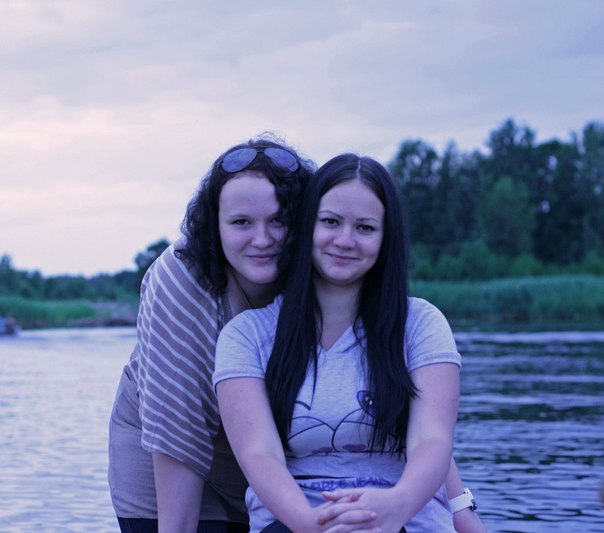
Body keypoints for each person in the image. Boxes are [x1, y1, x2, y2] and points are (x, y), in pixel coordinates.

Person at [214, 154, 471, 532]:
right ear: (307, 225)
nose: (345, 240)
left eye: (365, 227)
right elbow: (260, 453)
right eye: (331, 222)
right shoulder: (245, 335)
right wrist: (312, 523)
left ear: (385, 238)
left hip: (404, 519)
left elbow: (431, 440)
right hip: (293, 523)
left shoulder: (421, 324)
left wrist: (396, 506)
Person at [108, 135, 314, 533]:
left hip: (272, 465)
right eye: (241, 222)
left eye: (279, 220)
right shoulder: (181, 278)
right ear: (213, 224)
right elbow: (178, 435)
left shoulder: (325, 270)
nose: (262, 239)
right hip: (167, 458)